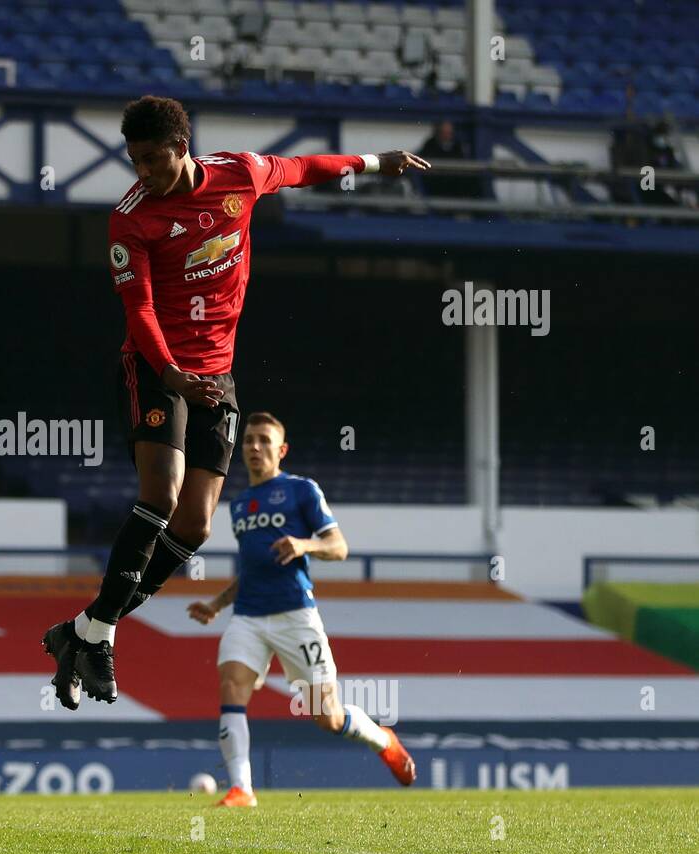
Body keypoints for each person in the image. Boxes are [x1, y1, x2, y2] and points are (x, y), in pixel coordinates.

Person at [41, 94, 429, 709]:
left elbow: (304, 169)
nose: (142, 172)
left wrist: (377, 163)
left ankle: (84, 630)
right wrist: (169, 373)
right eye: (133, 160)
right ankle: (102, 636)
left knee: (194, 525)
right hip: (156, 368)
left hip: (217, 377)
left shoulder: (240, 176)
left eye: (151, 159)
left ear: (181, 148)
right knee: (160, 497)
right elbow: (138, 308)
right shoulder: (131, 219)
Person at [186, 412, 417, 806]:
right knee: (231, 685)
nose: (254, 447)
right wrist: (216, 604)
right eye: (248, 441)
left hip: (295, 615)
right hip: (248, 616)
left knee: (326, 716)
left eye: (263, 440)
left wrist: (304, 544)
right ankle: (242, 788)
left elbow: (339, 547)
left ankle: (384, 740)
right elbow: (252, 570)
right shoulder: (239, 505)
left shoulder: (302, 491)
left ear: (282, 450)